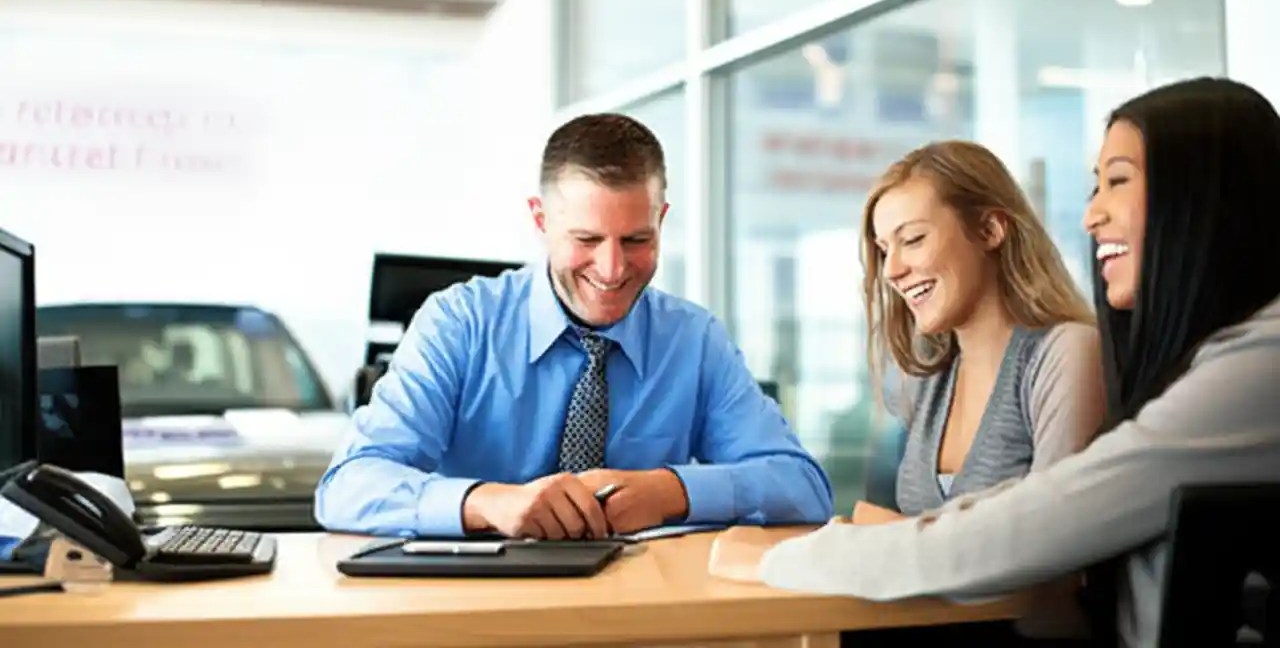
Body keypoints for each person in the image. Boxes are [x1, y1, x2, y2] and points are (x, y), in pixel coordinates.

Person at [714, 77, 1280, 647]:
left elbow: (1047, 526)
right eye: (1094, 186)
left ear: (1204, 198)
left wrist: (788, 558)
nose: (1090, 216)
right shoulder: (1209, 359)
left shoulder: (1258, 367)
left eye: (1118, 181)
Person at [315, 113, 833, 540]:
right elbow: (346, 486)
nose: (612, 270)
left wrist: (670, 490)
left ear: (662, 220)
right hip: (474, 614)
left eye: (636, 240)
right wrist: (491, 503)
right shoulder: (459, 324)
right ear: (541, 221)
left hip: (642, 619)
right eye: (586, 239)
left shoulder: (693, 340)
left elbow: (803, 487)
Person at [854, 141, 1104, 525]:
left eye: (914, 240)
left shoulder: (1065, 354)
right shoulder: (924, 378)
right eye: (886, 250)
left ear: (989, 230)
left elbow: (1052, 542)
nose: (891, 271)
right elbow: (872, 522)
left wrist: (894, 538)